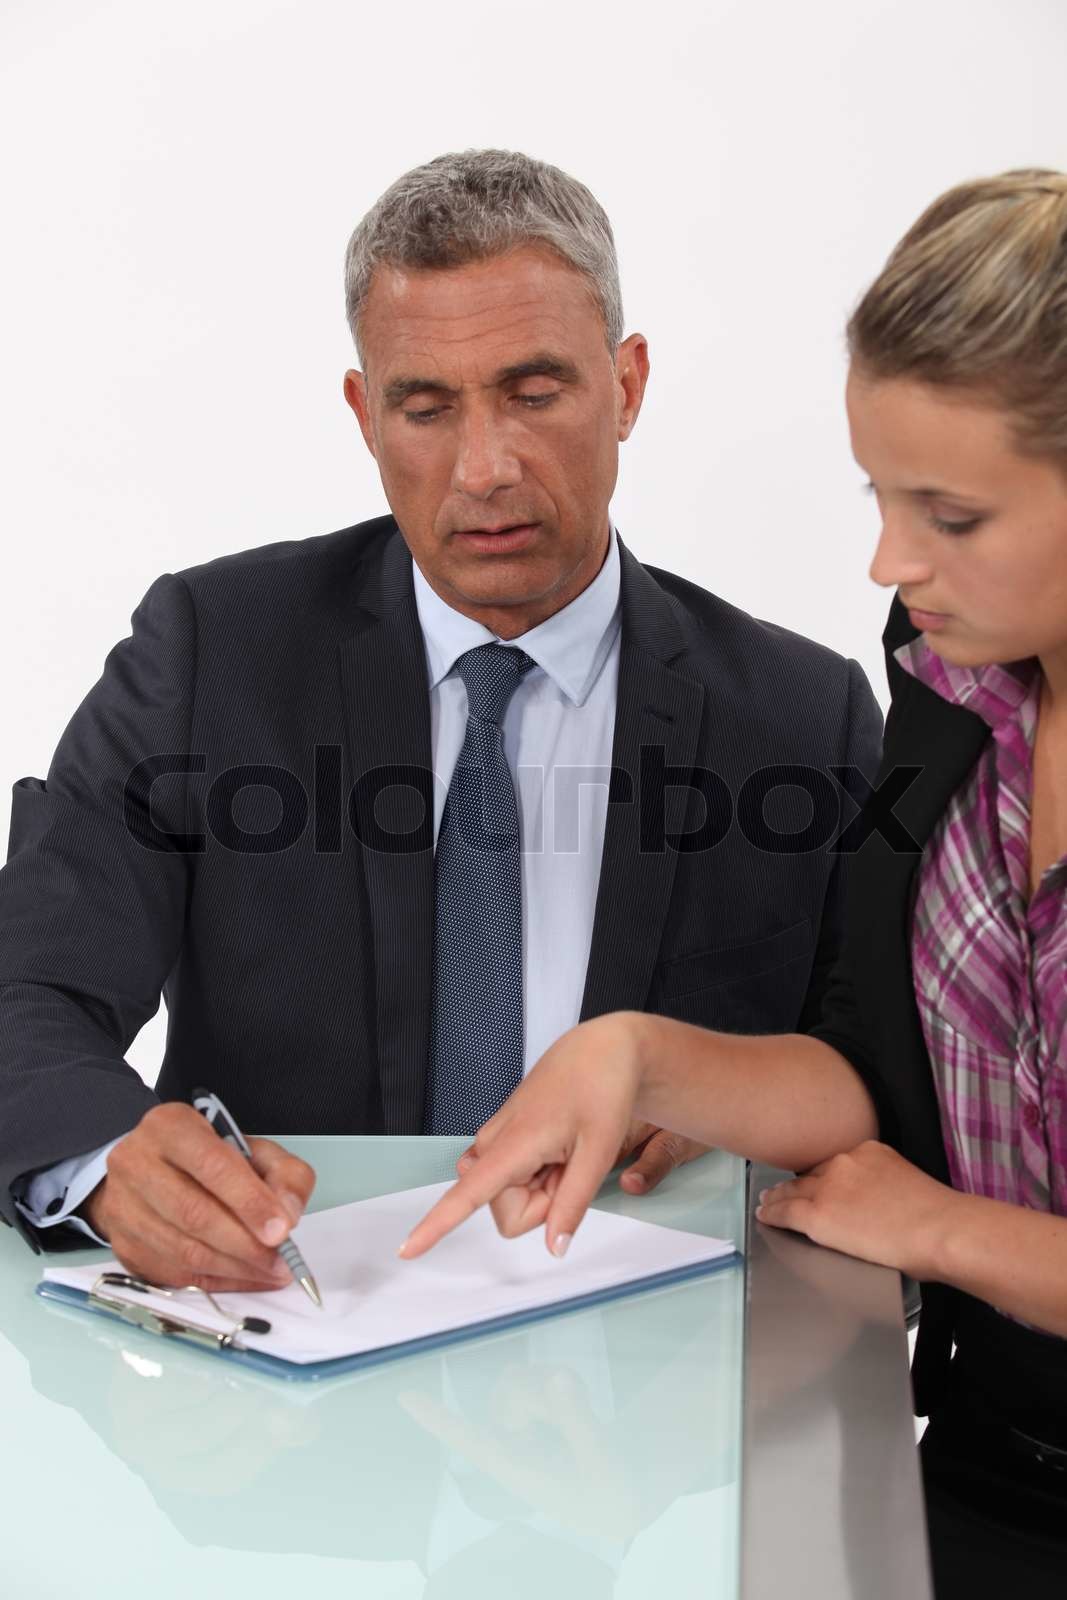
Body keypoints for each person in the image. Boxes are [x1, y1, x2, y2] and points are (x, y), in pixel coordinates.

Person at [0, 148, 881, 1295]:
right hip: (288, 1326)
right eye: (424, 408)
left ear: (626, 385)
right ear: (365, 414)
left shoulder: (804, 718)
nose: (483, 468)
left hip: (651, 1343)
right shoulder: (210, 651)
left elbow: (885, 1075)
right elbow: (29, 983)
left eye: (533, 394)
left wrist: (723, 1096)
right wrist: (106, 1162)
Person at [401, 168, 1067, 1593]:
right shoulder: (948, 678)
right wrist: (637, 1057)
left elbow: (906, 1188)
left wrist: (940, 1230)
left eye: (949, 514)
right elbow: (874, 1068)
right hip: (975, 1468)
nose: (888, 560)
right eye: (878, 495)